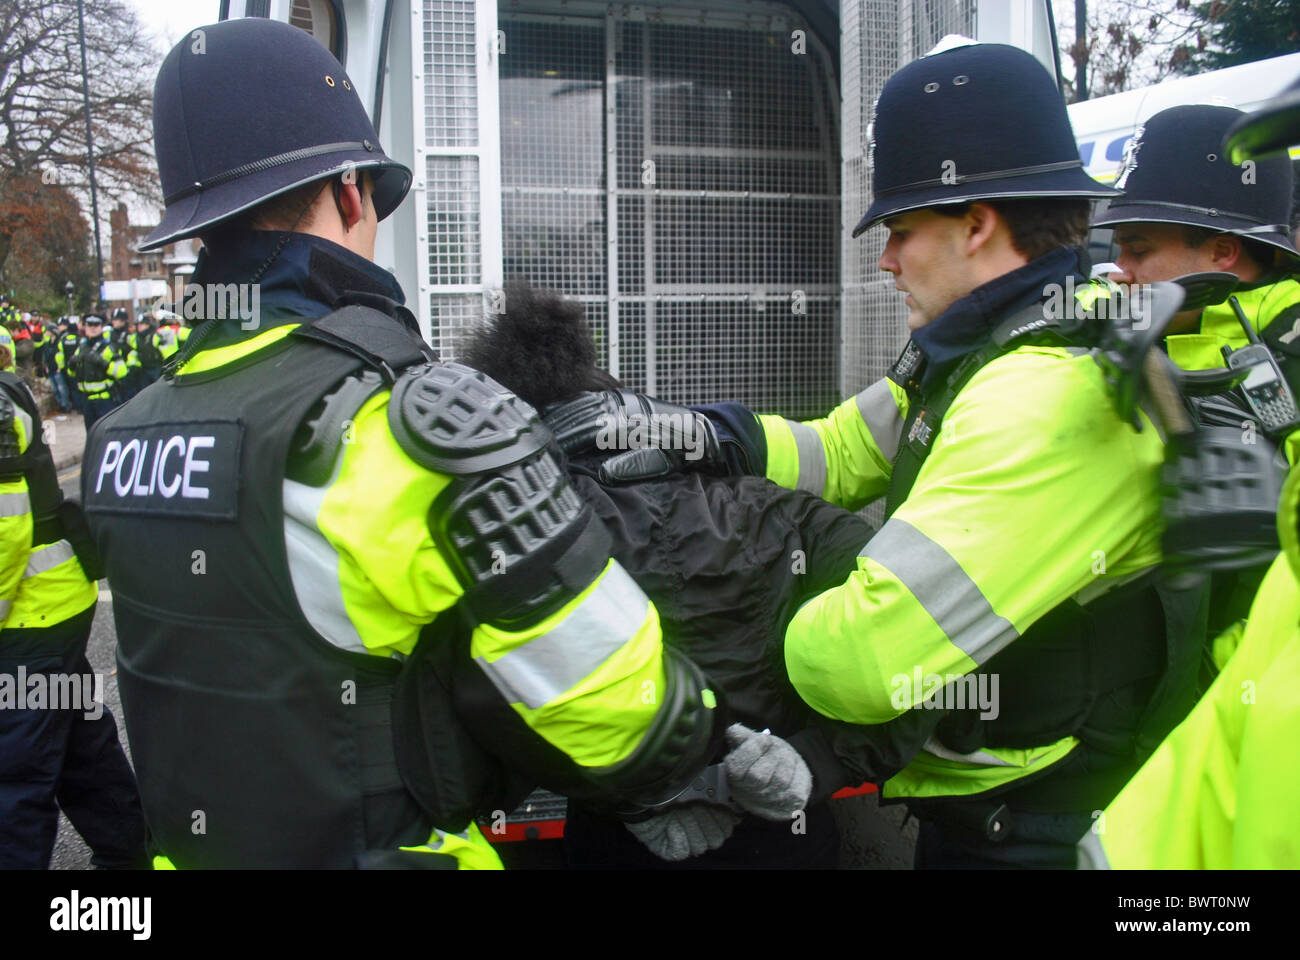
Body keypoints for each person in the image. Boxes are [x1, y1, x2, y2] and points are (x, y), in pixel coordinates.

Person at [79, 18, 793, 870]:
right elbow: (620, 711)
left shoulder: (123, 436)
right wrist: (701, 759)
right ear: (351, 190)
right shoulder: (415, 428)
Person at [605, 39, 1204, 868]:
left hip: (1040, 831)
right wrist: (691, 435)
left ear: (978, 224)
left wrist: (721, 590)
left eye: (900, 230)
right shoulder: (991, 343)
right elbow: (842, 450)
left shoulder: (1050, 396)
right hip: (978, 808)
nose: (885, 260)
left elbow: (859, 663)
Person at [458, 280, 916, 868]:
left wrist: (634, 799)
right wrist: (818, 761)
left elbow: (494, 715)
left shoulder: (529, 541)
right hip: (785, 831)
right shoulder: (771, 504)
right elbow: (915, 625)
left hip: (618, 842)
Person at [1078, 74, 1300, 873]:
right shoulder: (1146, 349)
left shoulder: (1292, 364)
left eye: (1138, 250)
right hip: (1140, 764)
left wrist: (1263, 543)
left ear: (1225, 251)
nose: (1119, 271)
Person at [0, 343, 148, 869]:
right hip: (48, 609)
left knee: (15, 772)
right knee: (78, 744)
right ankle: (128, 852)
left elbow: (5, 526)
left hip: (24, 617)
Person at [67, 315, 127, 428]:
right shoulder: (81, 347)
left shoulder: (108, 347)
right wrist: (71, 364)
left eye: (96, 325)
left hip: (105, 400)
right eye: (90, 325)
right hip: (87, 401)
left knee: (107, 435)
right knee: (91, 435)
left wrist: (103, 363)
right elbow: (72, 374)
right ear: (85, 327)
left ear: (101, 327)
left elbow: (122, 371)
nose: (93, 328)